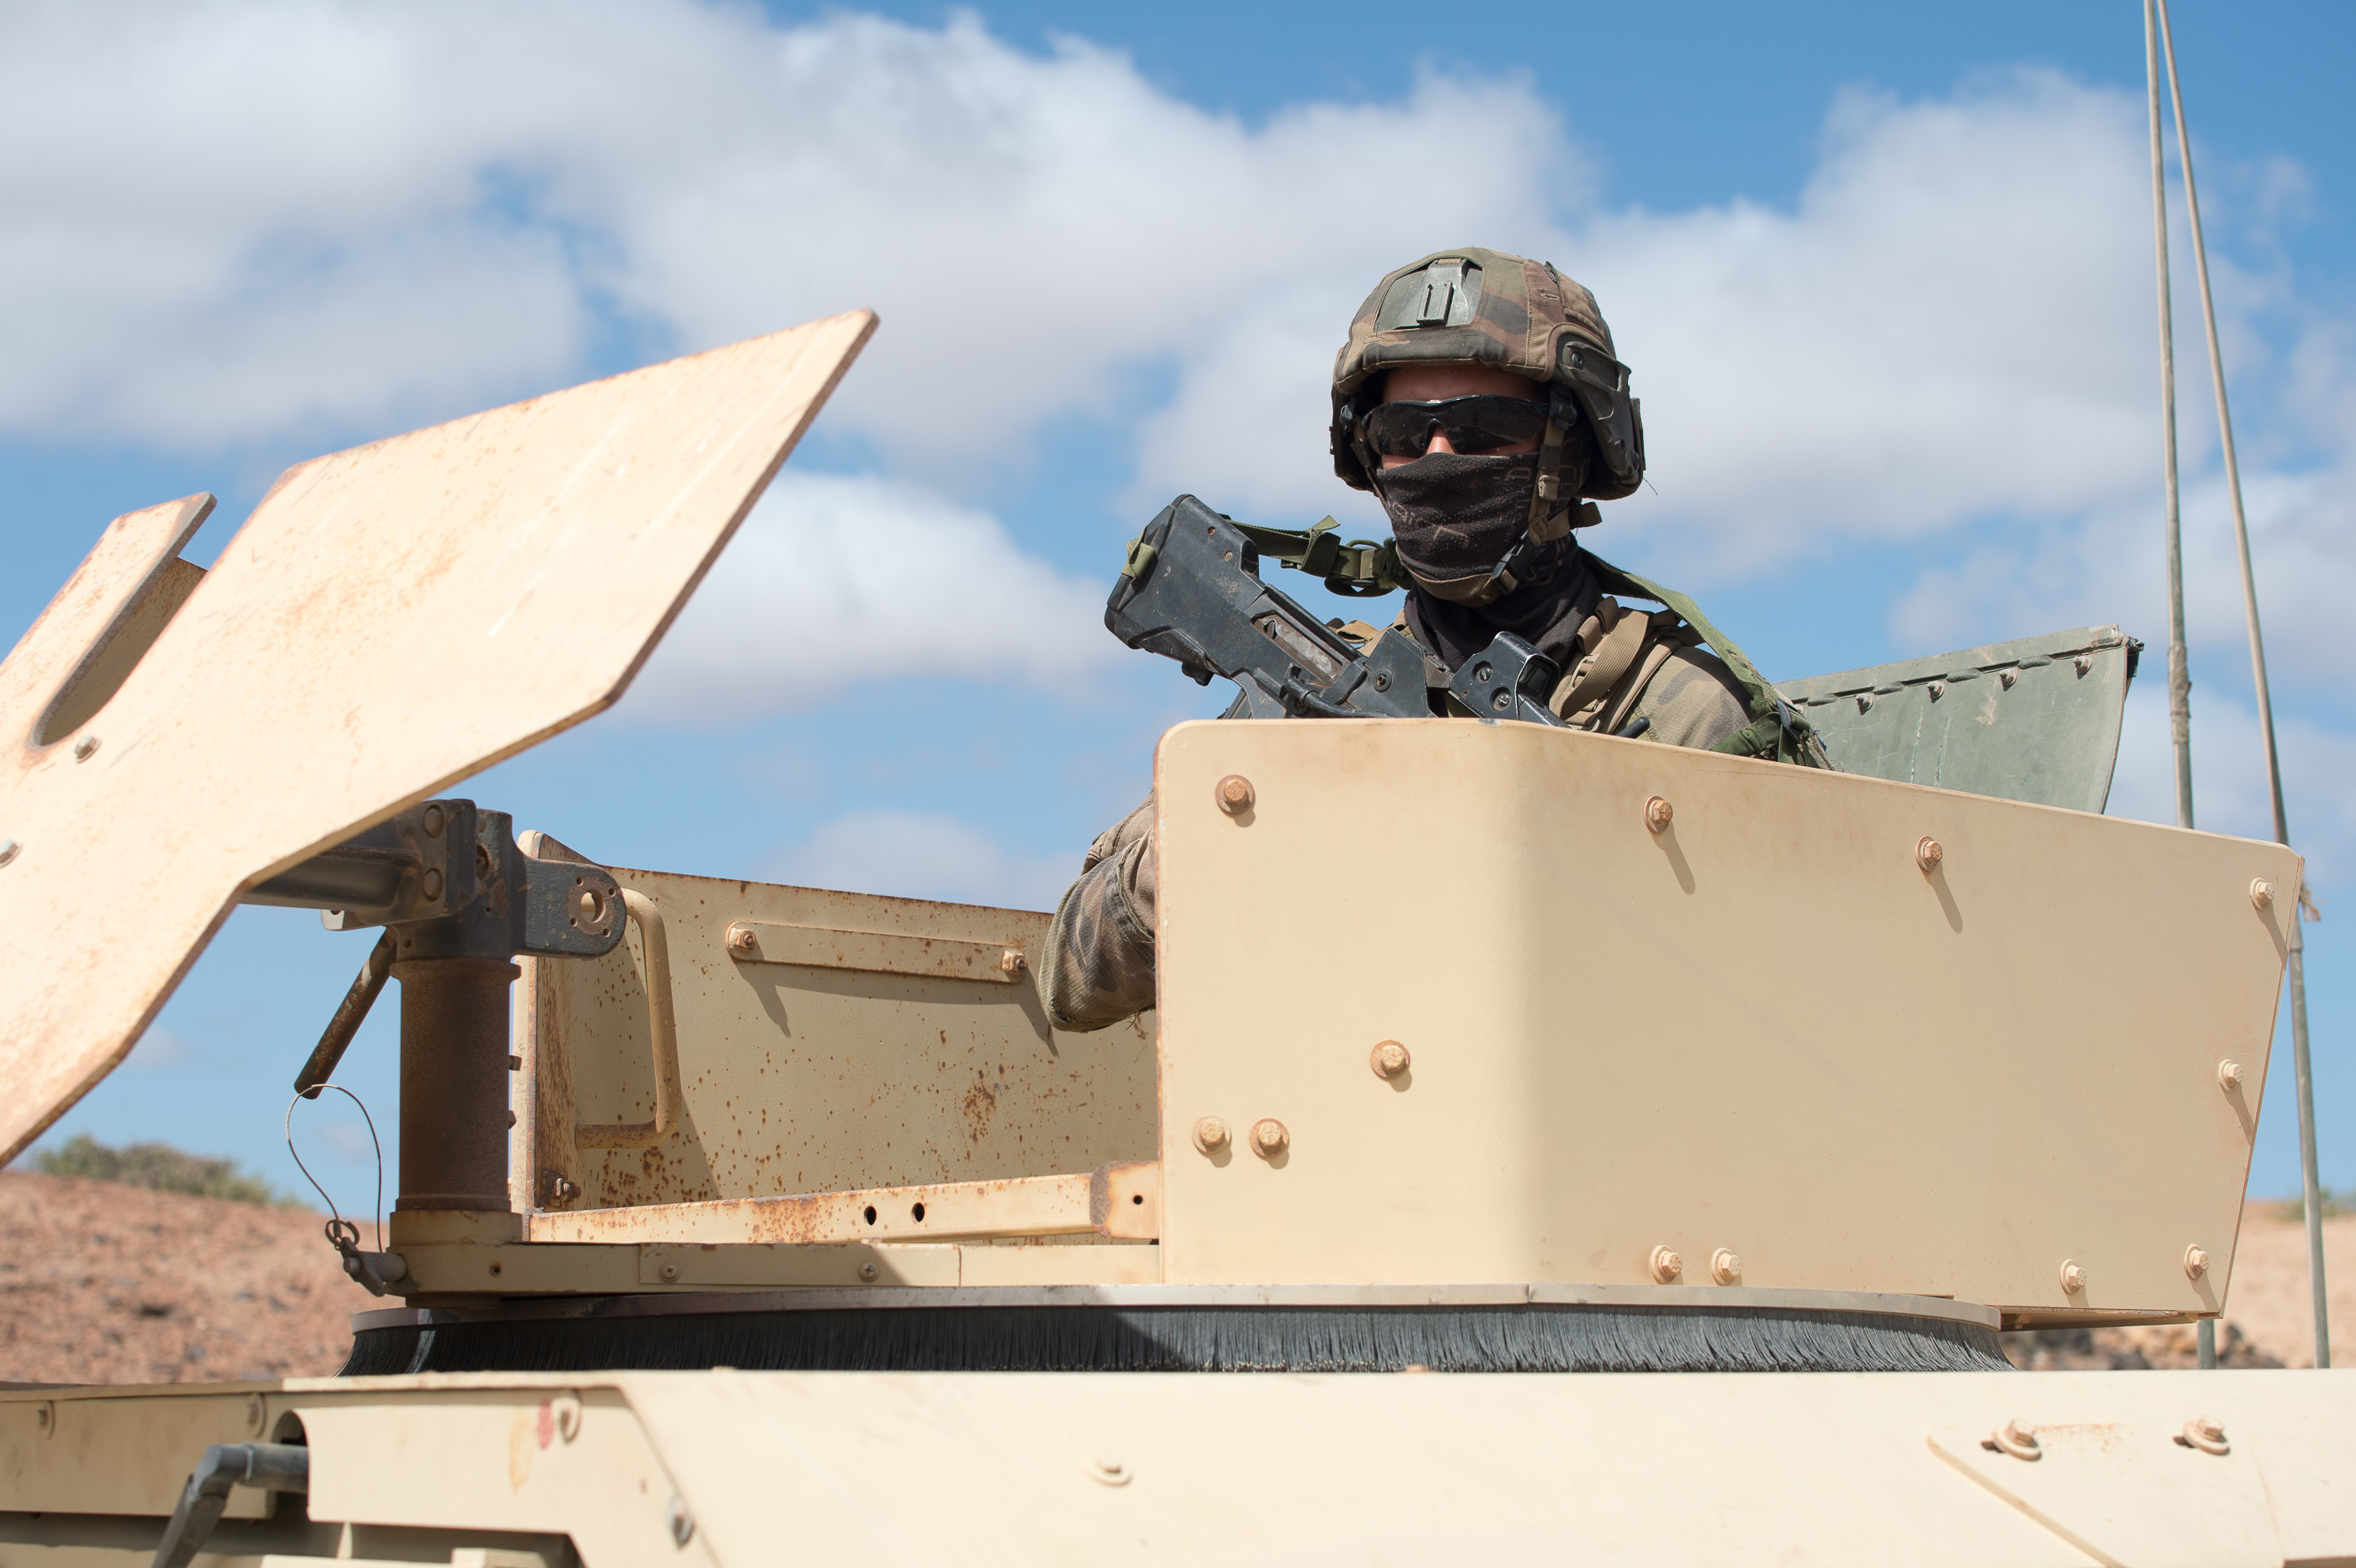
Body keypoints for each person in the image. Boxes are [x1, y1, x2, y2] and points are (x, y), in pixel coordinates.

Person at [1040, 247, 1802, 1032]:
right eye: (1405, 429)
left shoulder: (1681, 712)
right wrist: (1217, 846)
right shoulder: (1319, 686)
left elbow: (1773, 1011)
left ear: (1570, 449)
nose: (1439, 457)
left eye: (1483, 427)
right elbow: (1067, 982)